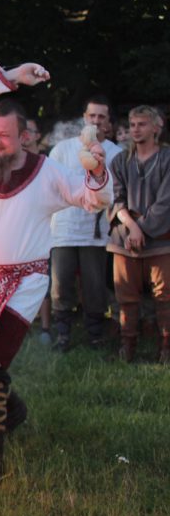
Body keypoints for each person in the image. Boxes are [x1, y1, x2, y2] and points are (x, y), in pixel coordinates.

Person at [0, 62, 112, 486]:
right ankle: (8, 412)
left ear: (25, 136)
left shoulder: (47, 172)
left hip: (20, 284)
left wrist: (97, 170)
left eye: (5, 137)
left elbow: (92, 198)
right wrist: (9, 76)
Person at [48, 96, 122, 351]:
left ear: (108, 122)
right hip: (63, 229)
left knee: (94, 286)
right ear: (84, 118)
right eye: (92, 116)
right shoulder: (62, 149)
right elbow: (51, 186)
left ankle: (94, 335)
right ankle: (63, 335)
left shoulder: (115, 153)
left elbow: (117, 191)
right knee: (60, 285)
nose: (96, 121)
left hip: (96, 231)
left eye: (102, 117)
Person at [107, 105, 170, 363]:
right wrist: (132, 227)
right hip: (125, 241)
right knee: (127, 298)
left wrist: (141, 228)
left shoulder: (167, 159)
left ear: (157, 127)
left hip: (161, 241)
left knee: (166, 297)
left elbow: (166, 200)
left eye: (142, 124)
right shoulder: (119, 161)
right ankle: (127, 348)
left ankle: (166, 349)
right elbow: (114, 198)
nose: (135, 129)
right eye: (132, 124)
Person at [20, 116, 52, 343]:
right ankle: (21, 326)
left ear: (37, 135)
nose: (25, 136)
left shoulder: (47, 162)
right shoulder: (14, 161)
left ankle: (46, 328)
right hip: (18, 229)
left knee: (41, 276)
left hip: (43, 226)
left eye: (29, 131)